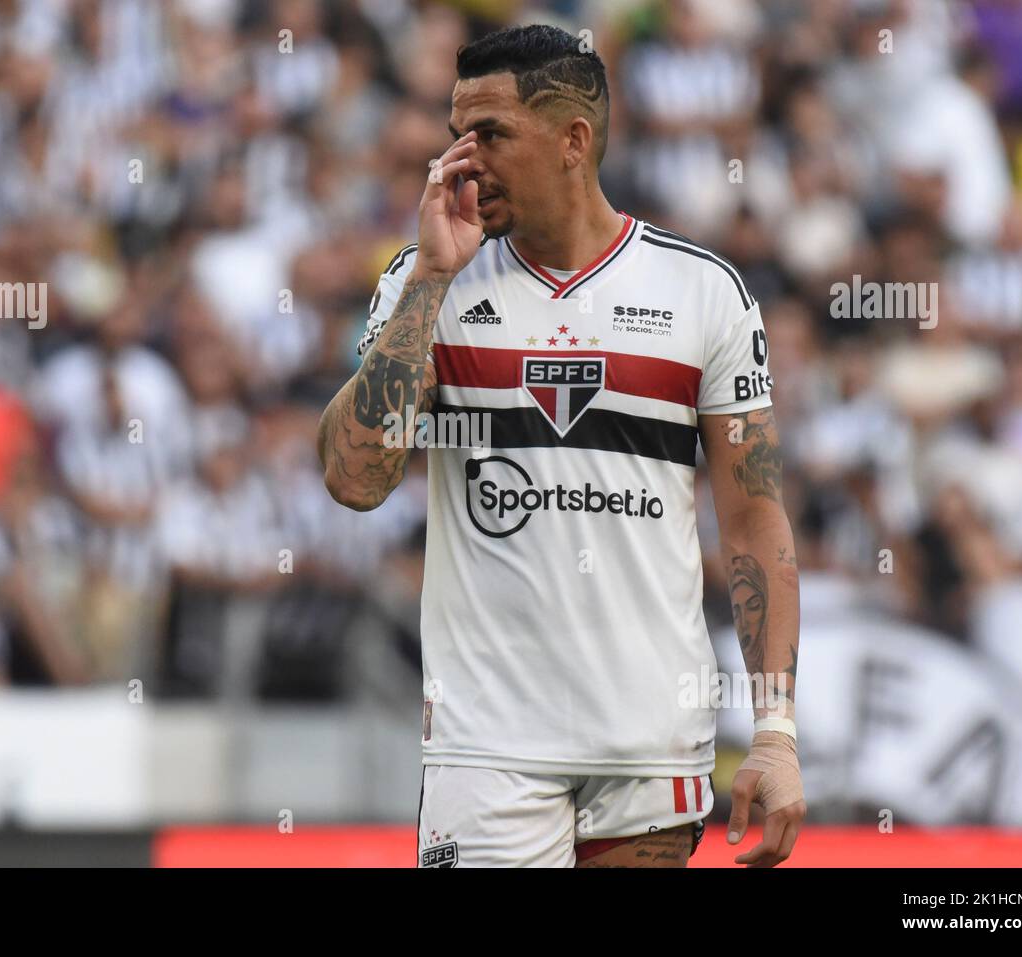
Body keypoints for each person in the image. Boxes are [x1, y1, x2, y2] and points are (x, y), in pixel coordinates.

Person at [317, 24, 804, 868]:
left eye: (491, 134)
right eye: (454, 136)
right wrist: (432, 280)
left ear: (573, 139)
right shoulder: (423, 282)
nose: (460, 162)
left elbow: (755, 521)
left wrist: (777, 732)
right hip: (485, 743)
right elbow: (355, 478)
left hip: (651, 737)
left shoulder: (704, 293)